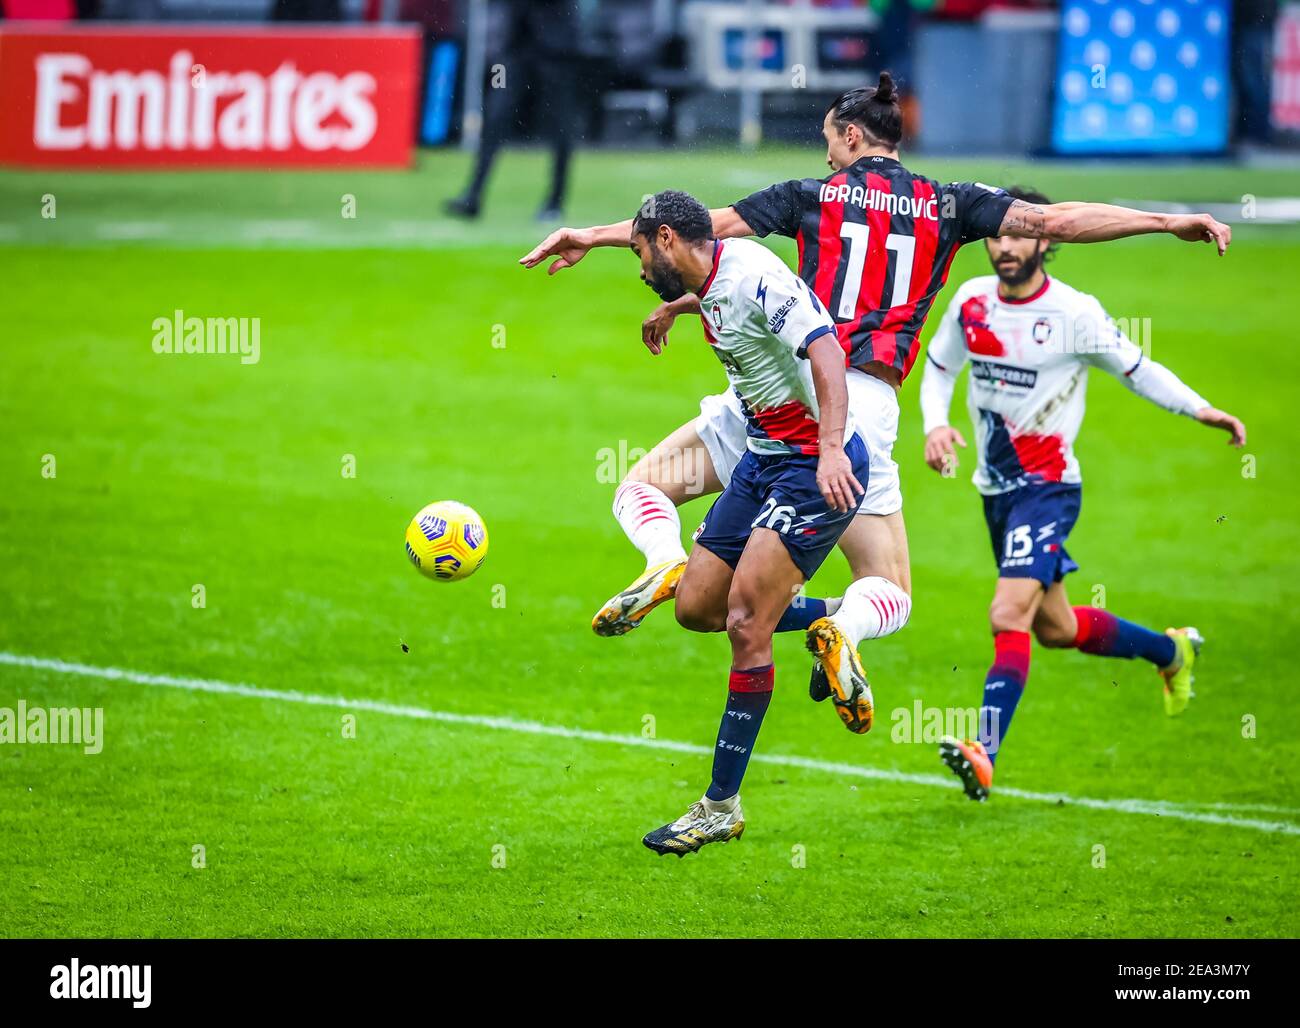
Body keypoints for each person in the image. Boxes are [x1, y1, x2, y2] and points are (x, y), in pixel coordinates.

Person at [520, 72, 1234, 735]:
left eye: (831, 140)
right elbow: (1060, 221)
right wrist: (1165, 222)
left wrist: (599, 234)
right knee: (888, 586)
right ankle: (843, 629)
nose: (827, 155)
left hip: (778, 386)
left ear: (853, 136)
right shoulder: (951, 202)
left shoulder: (813, 194)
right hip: (859, 407)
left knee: (647, 487)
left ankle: (665, 558)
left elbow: (698, 232)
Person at [918, 188, 1247, 801]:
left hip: (1048, 488)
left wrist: (1202, 410)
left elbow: (1137, 368)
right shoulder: (971, 303)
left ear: (1047, 239)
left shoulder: (1075, 314)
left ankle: (984, 750)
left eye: (1019, 234)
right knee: (1055, 627)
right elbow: (938, 369)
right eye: (996, 234)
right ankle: (1172, 652)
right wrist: (936, 423)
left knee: (1006, 614)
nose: (1004, 245)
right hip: (997, 491)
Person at [623, 191, 869, 855]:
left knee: (744, 623)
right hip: (763, 461)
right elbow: (719, 297)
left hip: (812, 470)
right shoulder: (714, 280)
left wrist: (833, 447)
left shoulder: (755, 273)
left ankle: (719, 805)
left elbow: (827, 351)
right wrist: (677, 306)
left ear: (668, 239)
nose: (640, 267)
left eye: (641, 251)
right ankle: (830, 617)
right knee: (698, 606)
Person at [446, 0, 580, 221]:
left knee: (560, 126)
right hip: (516, 49)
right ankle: (473, 195)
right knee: (496, 115)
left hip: (557, 49)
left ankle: (555, 201)